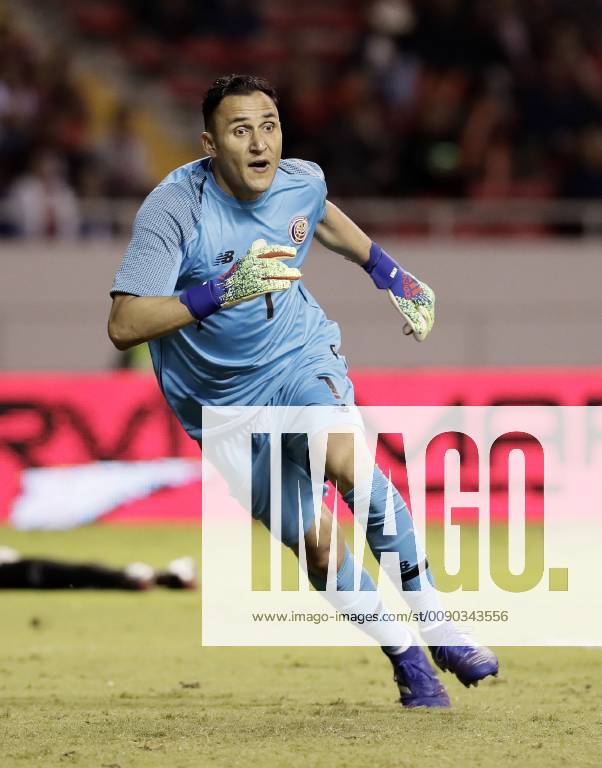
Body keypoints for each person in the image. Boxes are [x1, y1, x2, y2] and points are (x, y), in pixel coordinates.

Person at [108, 74, 498, 708]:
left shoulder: (300, 179)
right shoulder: (173, 210)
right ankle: (406, 658)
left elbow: (322, 218)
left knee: (352, 467)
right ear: (210, 145)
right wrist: (220, 292)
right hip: (222, 409)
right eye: (241, 131)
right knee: (317, 545)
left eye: (270, 125)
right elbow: (125, 324)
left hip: (297, 358)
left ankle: (441, 629)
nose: (261, 143)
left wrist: (392, 275)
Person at [0, 546, 197, 590]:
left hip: (19, 572)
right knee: (84, 574)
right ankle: (146, 578)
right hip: (21, 571)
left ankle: (161, 578)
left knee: (84, 577)